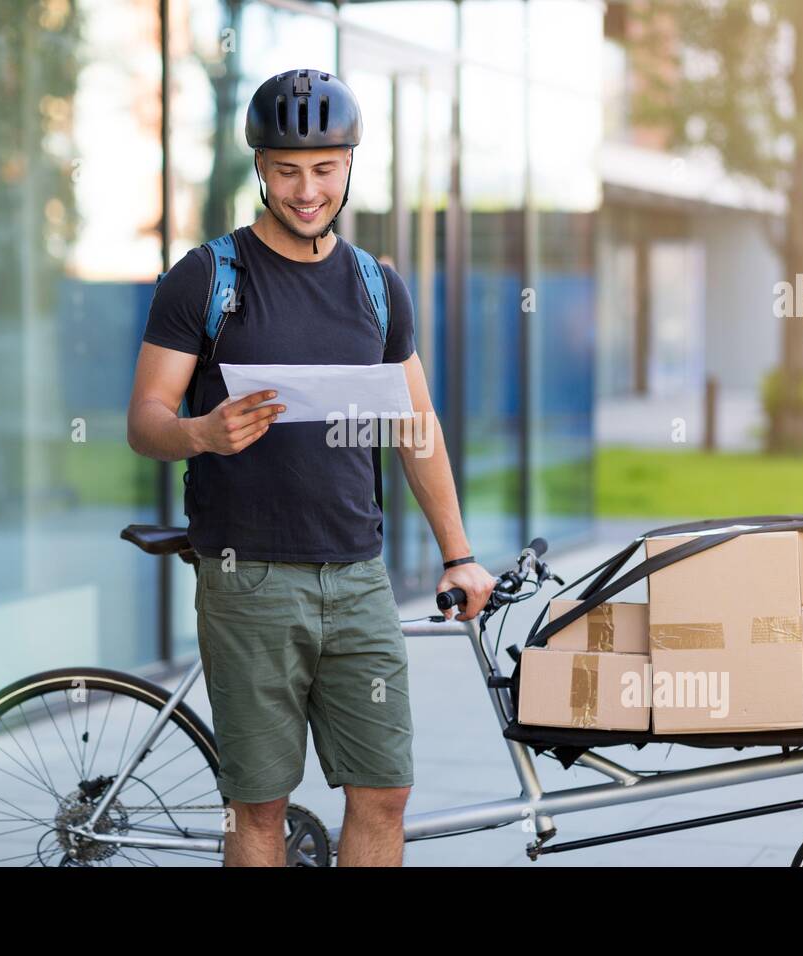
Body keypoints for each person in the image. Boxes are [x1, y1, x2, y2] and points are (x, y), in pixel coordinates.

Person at [126, 69, 496, 867]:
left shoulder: (376, 286)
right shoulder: (208, 277)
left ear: (350, 165)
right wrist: (203, 434)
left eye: (325, 168)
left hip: (359, 577)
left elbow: (415, 425)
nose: (306, 190)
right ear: (260, 167)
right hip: (250, 577)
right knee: (257, 810)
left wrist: (459, 553)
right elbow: (145, 420)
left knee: (384, 793)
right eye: (288, 169)